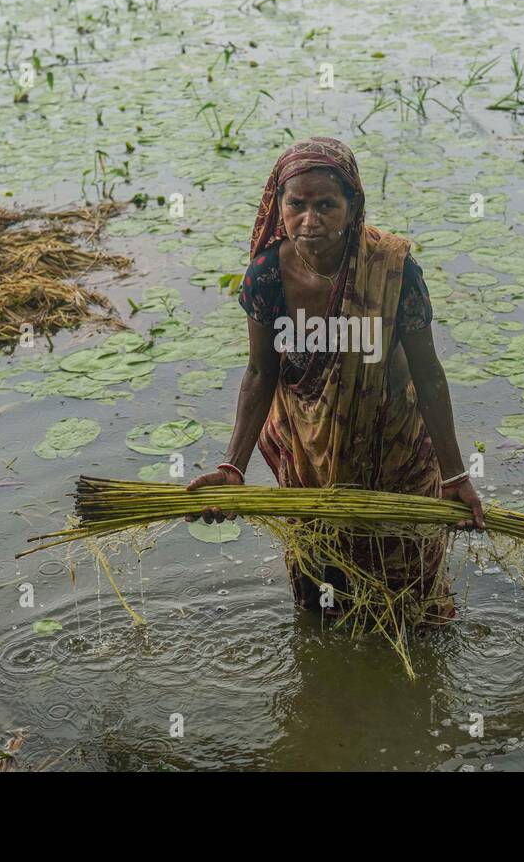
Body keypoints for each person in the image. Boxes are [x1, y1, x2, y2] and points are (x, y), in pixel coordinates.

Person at [185, 136, 484, 625]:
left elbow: (429, 375)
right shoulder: (266, 277)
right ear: (278, 207)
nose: (310, 221)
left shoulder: (393, 270)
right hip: (308, 461)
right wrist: (232, 468)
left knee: (415, 607)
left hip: (393, 454)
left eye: (326, 205)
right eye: (296, 205)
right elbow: (261, 372)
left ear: (353, 207)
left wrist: (455, 477)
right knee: (321, 601)